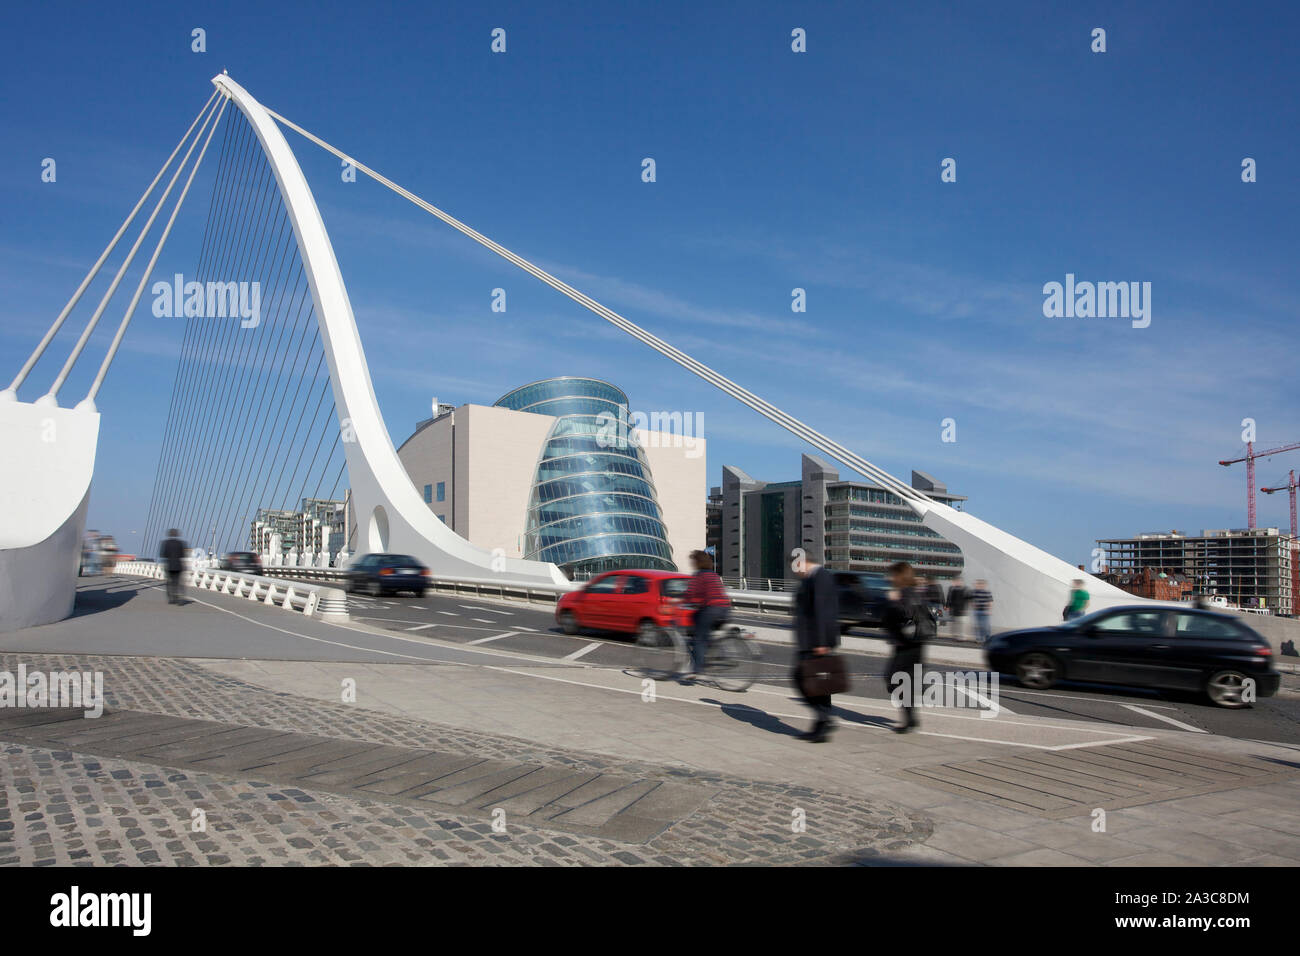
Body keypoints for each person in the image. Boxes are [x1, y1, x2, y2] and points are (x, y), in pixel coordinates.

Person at [792, 549, 840, 742]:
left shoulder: (820, 577)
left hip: (816, 642)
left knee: (803, 681)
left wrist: (821, 642)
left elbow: (822, 611)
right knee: (818, 685)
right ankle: (822, 724)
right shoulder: (811, 578)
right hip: (811, 641)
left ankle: (824, 719)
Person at [882, 562, 931, 732]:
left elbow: (903, 616)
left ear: (899, 576)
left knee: (893, 679)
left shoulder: (905, 594)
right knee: (905, 680)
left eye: (892, 575)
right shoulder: (916, 592)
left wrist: (893, 602)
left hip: (906, 645)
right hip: (916, 644)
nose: (889, 578)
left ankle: (909, 719)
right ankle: (910, 718)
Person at [681, 549, 730, 680]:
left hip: (711, 609)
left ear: (697, 562)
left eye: (693, 562)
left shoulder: (699, 575)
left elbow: (690, 593)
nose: (692, 564)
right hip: (725, 609)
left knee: (698, 638)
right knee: (702, 626)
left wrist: (682, 601)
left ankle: (696, 670)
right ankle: (711, 651)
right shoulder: (713, 574)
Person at [160, 528, 188, 605]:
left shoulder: (165, 543)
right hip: (178, 565)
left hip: (169, 565)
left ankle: (171, 598)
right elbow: (183, 555)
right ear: (177, 534)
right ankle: (179, 598)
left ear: (169, 534)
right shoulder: (181, 543)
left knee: (169, 582)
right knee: (178, 582)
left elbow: (163, 554)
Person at [946, 576, 971, 642]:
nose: (957, 582)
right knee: (954, 624)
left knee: (962, 624)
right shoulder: (951, 589)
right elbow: (949, 598)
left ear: (961, 581)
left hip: (962, 609)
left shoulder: (966, 589)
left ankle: (962, 637)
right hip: (954, 609)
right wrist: (948, 606)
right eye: (956, 581)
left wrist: (966, 608)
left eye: (958, 581)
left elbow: (969, 599)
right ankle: (955, 636)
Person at [970, 579, 993, 644]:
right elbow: (972, 600)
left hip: (985, 611)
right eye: (979, 584)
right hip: (977, 611)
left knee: (985, 626)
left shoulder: (987, 592)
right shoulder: (974, 592)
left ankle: (987, 639)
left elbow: (990, 602)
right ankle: (979, 639)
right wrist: (973, 606)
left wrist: (989, 610)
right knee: (977, 626)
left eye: (981, 584)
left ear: (984, 585)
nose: (980, 585)